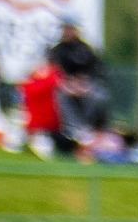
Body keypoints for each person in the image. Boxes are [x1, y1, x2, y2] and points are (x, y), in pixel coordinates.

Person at [47, 20, 109, 152]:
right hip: (65, 86)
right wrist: (68, 83)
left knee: (99, 95)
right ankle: (74, 129)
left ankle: (88, 128)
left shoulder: (86, 49)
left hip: (85, 86)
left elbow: (96, 71)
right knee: (60, 95)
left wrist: (83, 84)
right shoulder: (57, 50)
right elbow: (54, 72)